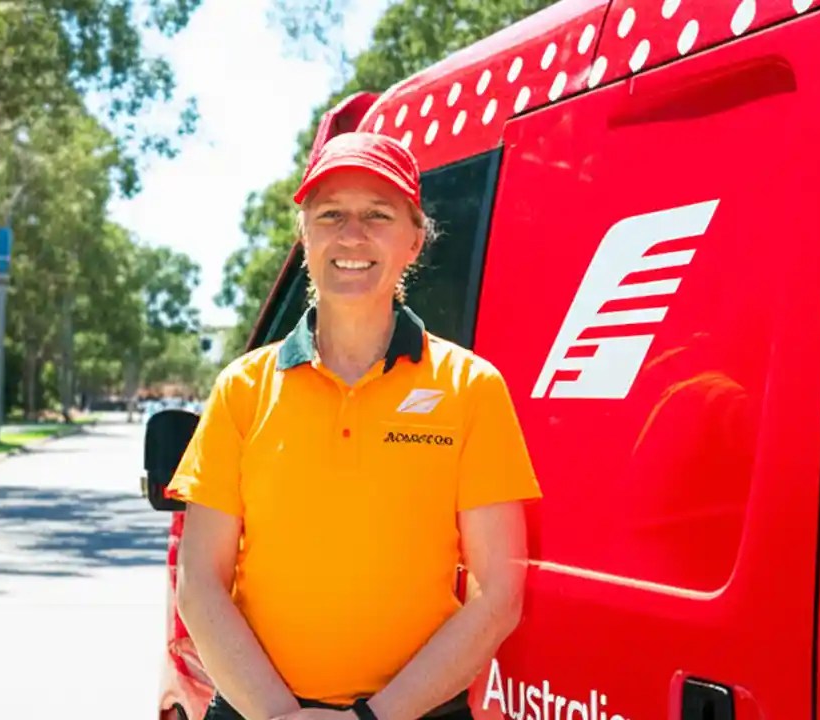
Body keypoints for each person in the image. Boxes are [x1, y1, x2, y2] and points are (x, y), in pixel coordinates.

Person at [166, 131, 541, 720]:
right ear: (305, 235)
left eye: (377, 215)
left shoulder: (472, 388)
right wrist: (282, 716)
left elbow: (499, 595)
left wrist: (373, 719)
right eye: (331, 214)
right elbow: (198, 580)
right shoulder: (241, 390)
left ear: (414, 240)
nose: (352, 236)